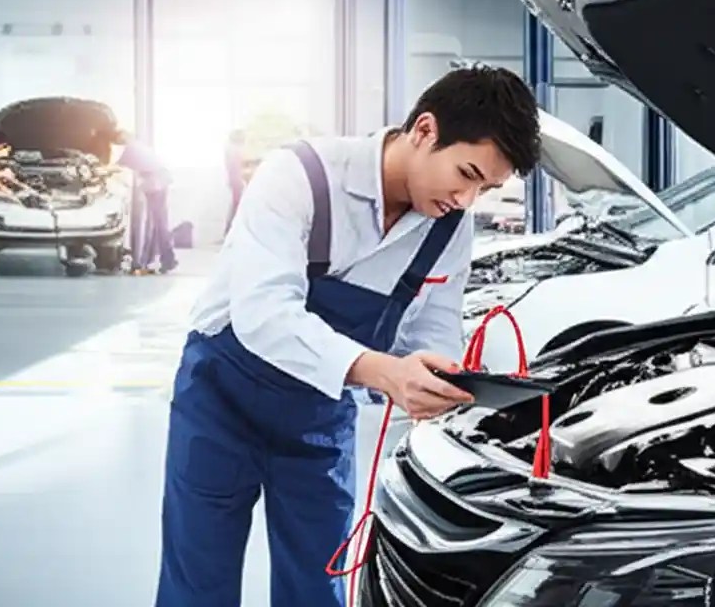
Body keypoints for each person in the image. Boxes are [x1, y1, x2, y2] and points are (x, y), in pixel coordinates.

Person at [155, 66, 543, 607]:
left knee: (319, 583)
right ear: (424, 130)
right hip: (220, 402)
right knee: (199, 577)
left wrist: (444, 386)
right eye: (467, 173)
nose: (468, 198)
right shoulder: (299, 176)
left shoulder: (450, 225)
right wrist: (383, 373)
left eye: (487, 188)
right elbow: (264, 313)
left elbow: (433, 330)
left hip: (318, 419)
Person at [112, 130, 177, 274]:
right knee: (156, 223)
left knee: (158, 223)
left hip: (155, 183)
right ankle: (153, 260)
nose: (118, 142)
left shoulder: (131, 149)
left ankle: (166, 259)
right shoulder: (139, 146)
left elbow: (117, 165)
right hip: (159, 181)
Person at [224, 128, 246, 236]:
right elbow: (237, 166)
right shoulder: (236, 150)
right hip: (237, 181)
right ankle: (230, 230)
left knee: (235, 205)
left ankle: (229, 230)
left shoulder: (230, 149)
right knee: (237, 205)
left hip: (234, 180)